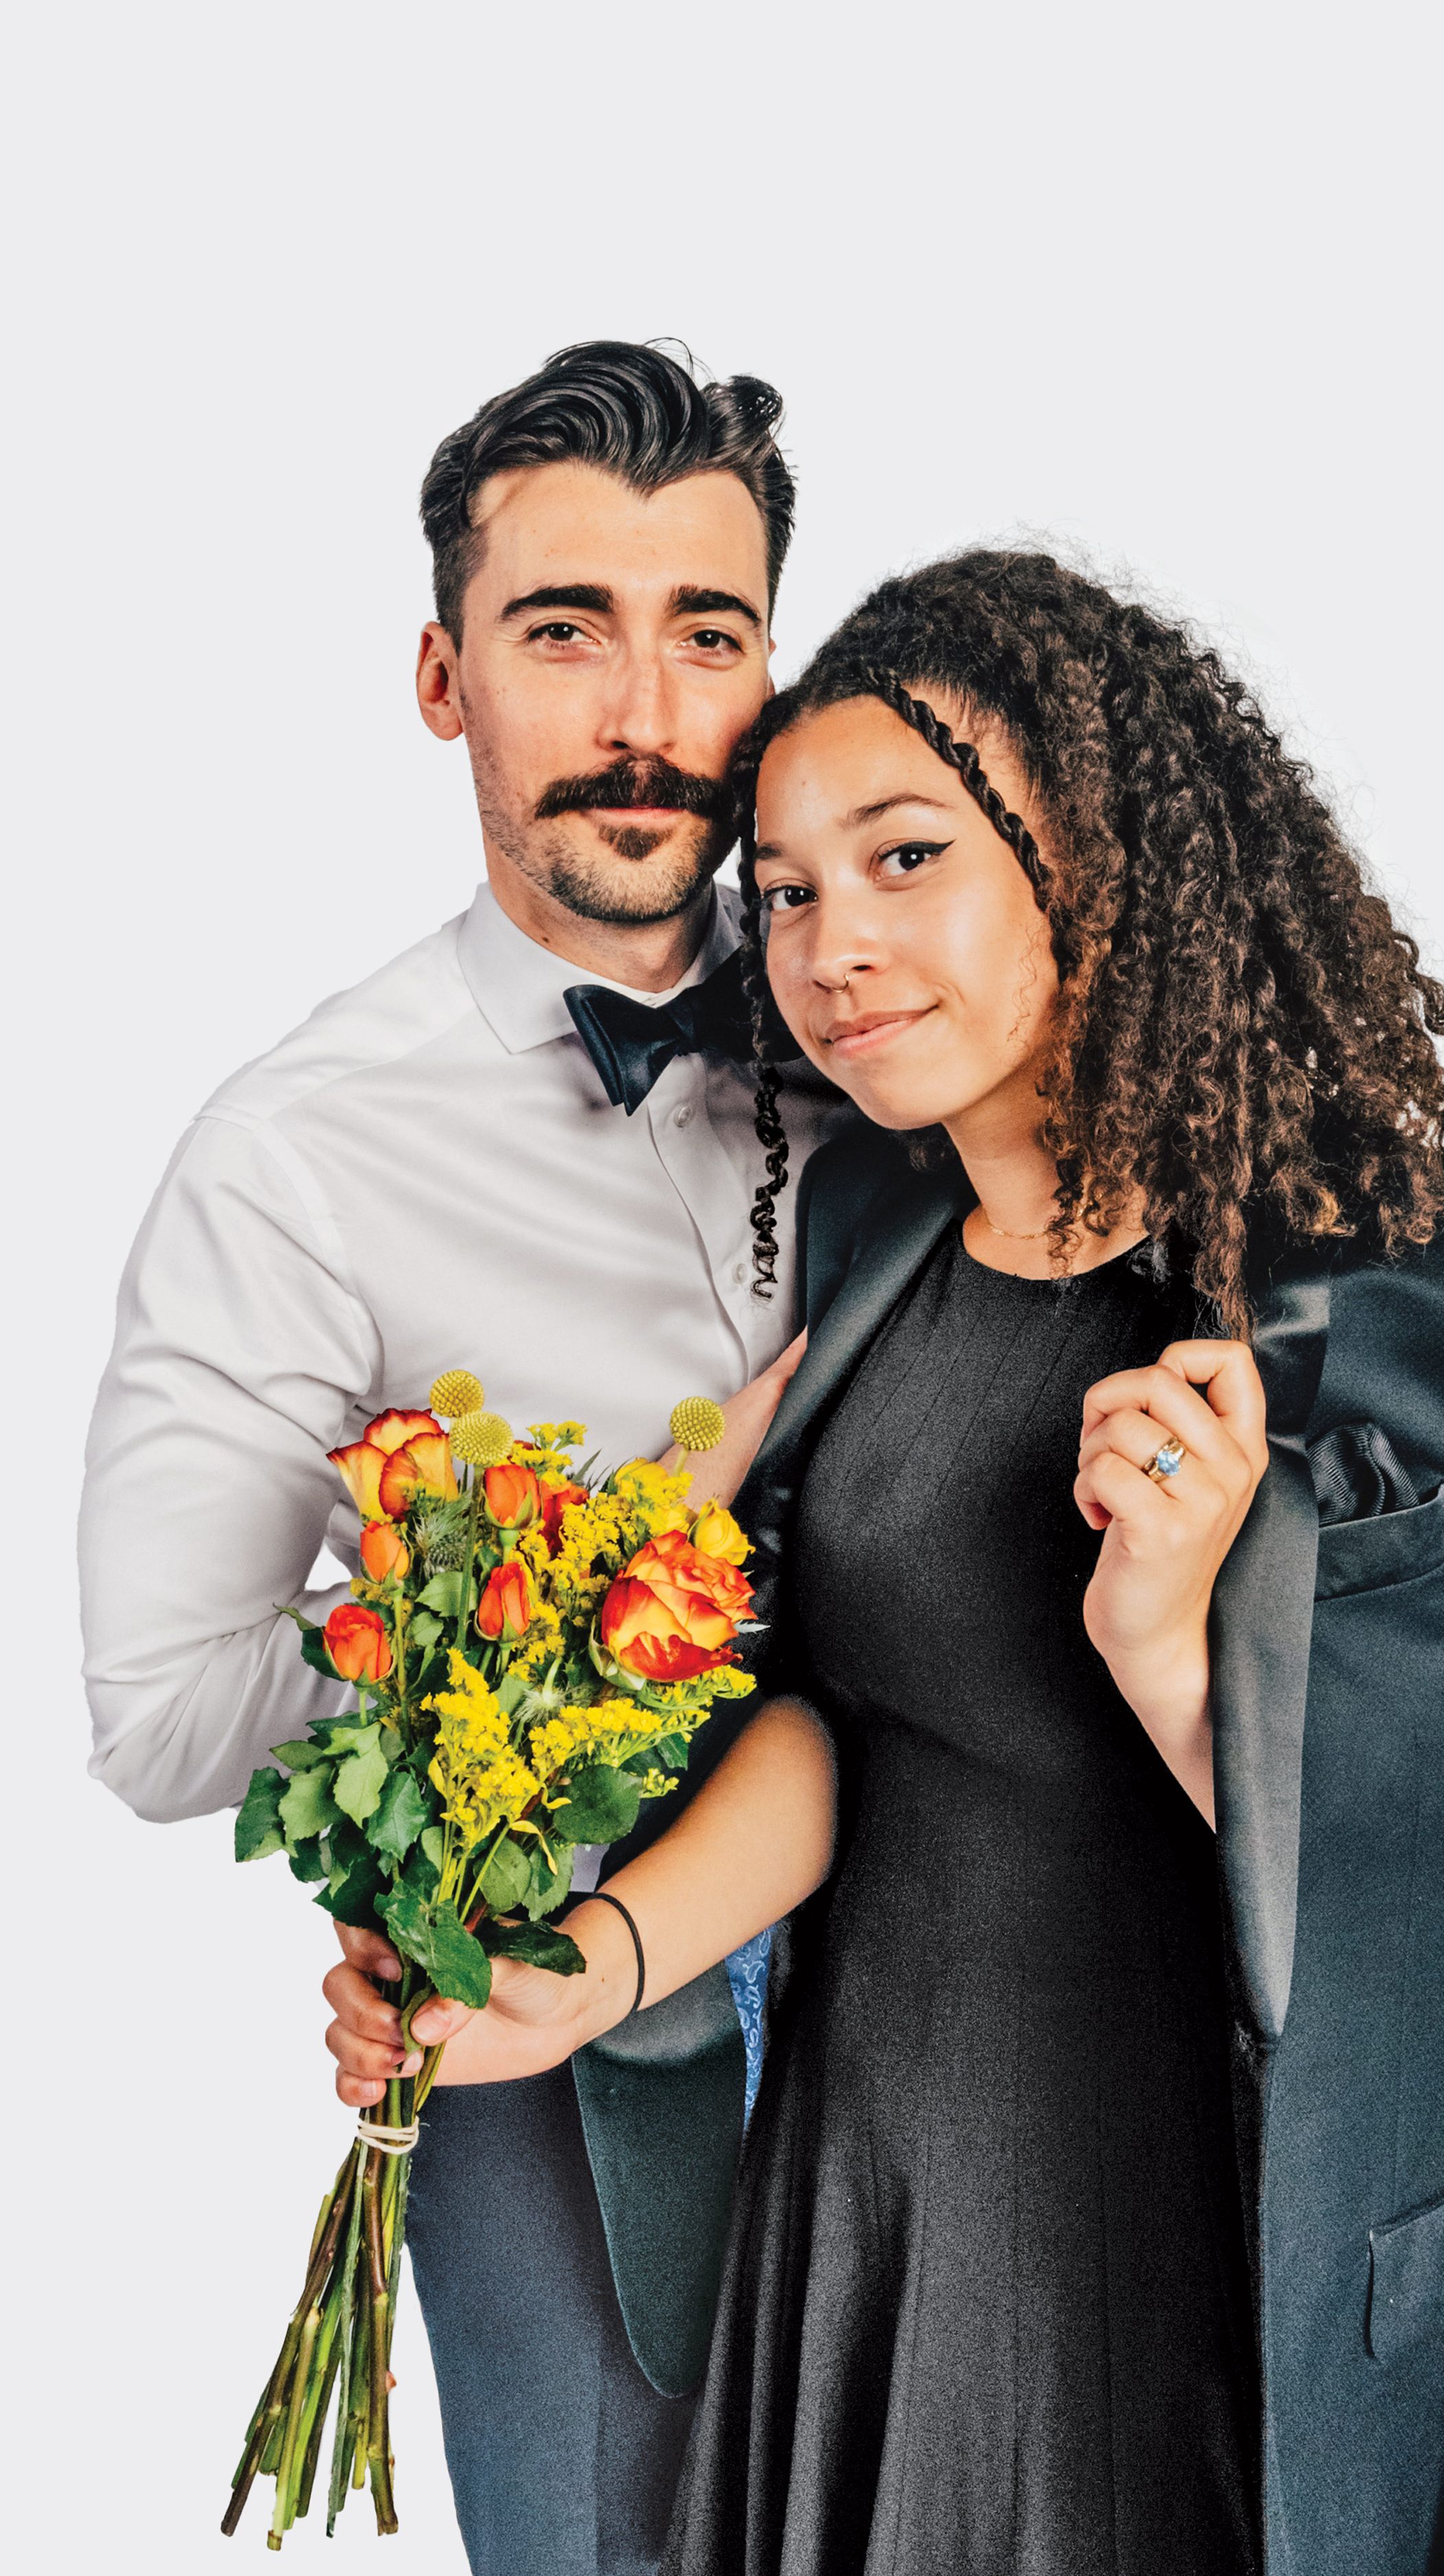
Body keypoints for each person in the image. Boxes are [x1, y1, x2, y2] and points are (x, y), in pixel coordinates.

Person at [324, 549, 1444, 2575]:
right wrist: (580, 1976)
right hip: (851, 2231)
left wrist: (1167, 1659)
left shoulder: (1390, 1306)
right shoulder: (862, 1248)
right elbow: (844, 1726)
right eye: (781, 892)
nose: (828, 943)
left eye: (902, 860)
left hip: (1161, 2273)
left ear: (1096, 869)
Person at [79, 339, 846, 2576]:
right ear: (443, 677)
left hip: (970, 1972)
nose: (641, 709)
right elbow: (159, 1716)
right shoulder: (298, 1157)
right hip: (544, 2037)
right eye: (561, 630)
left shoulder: (885, 1018)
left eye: (705, 633)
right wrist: (529, 1650)